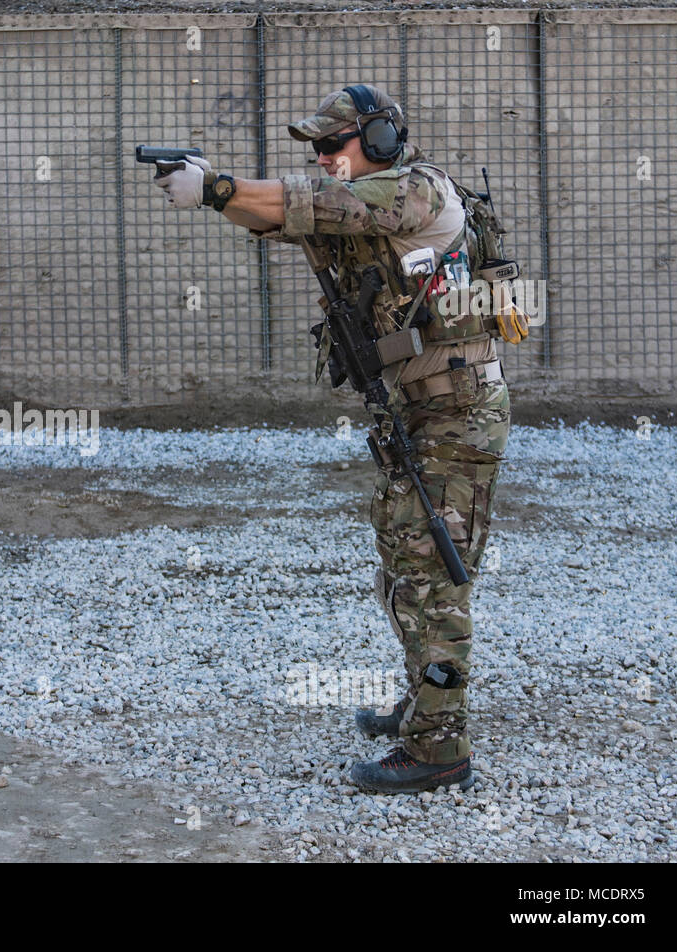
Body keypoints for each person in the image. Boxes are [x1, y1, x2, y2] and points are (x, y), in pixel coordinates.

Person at [151, 84, 511, 794]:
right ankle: (425, 705)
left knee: (432, 575)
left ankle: (441, 749)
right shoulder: (359, 206)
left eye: (332, 145)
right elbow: (277, 214)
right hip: (422, 412)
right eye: (314, 147)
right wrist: (216, 190)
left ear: (378, 141)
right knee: (403, 561)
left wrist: (215, 185)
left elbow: (301, 203)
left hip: (455, 410)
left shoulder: (415, 193)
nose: (321, 158)